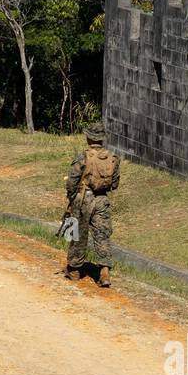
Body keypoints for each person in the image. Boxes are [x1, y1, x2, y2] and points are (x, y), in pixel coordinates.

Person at [64, 123, 120, 287]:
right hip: (102, 200)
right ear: (102, 139)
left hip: (83, 199)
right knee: (102, 235)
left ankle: (74, 268)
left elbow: (72, 181)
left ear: (88, 137)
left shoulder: (83, 157)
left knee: (77, 234)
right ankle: (104, 272)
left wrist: (71, 198)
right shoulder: (113, 158)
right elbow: (115, 184)